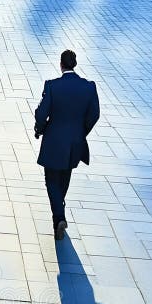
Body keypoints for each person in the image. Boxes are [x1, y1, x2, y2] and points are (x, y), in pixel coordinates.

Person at [34, 49, 100, 240]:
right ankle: (60, 208)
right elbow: (94, 115)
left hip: (54, 141)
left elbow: (41, 114)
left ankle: (59, 216)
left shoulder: (53, 86)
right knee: (65, 177)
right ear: (75, 64)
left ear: (61, 64)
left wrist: (41, 128)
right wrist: (81, 131)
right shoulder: (89, 87)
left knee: (51, 180)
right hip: (75, 142)